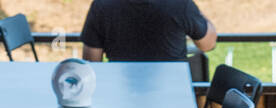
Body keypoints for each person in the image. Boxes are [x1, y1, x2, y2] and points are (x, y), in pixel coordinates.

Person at [81, 0, 216, 63]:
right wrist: (197, 12)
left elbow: (91, 61)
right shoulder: (181, 4)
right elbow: (208, 44)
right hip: (173, 101)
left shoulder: (102, 5)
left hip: (122, 99)